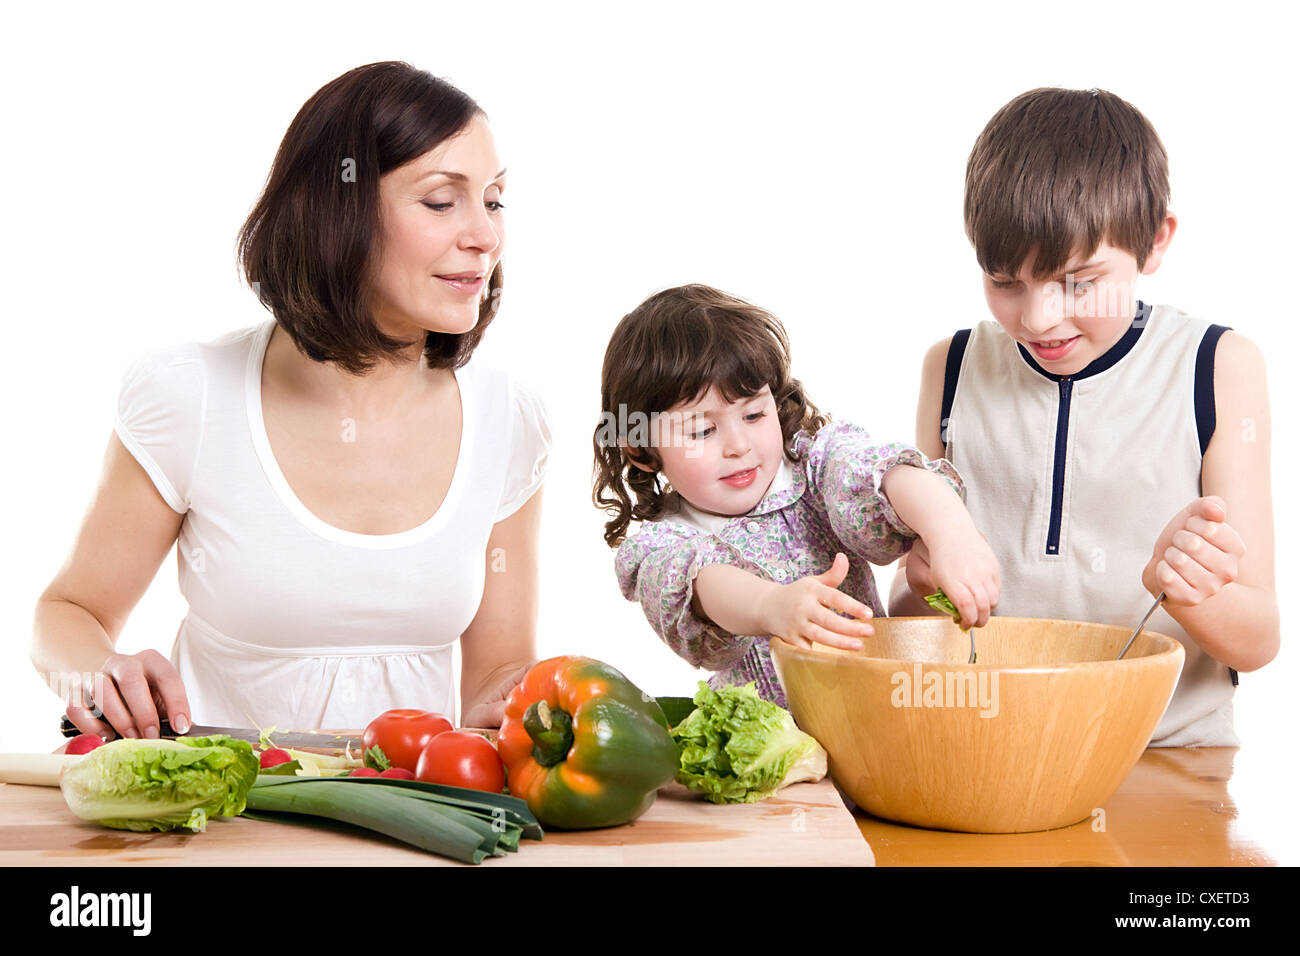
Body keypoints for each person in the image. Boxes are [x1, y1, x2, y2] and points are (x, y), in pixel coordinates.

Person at [31, 62, 549, 737]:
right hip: (224, 828)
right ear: (340, 212)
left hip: (417, 827)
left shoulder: (506, 419)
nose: (486, 235)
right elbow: (67, 612)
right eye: (441, 200)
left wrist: (522, 710)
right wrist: (102, 671)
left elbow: (495, 676)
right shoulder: (194, 395)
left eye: (494, 199)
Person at [890, 88, 1279, 747]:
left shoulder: (1220, 366)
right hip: (985, 748)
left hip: (1167, 757)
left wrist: (1189, 591)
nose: (1039, 318)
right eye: (1005, 281)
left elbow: (1259, 639)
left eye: (1078, 280)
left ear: (1155, 241)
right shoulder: (950, 367)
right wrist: (918, 586)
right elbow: (910, 612)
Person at [593, 284, 1000, 707]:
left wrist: (953, 535)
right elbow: (703, 582)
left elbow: (887, 474)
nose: (738, 445)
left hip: (881, 722)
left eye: (753, 414)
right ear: (640, 449)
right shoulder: (664, 546)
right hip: (778, 759)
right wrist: (772, 605)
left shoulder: (815, 468)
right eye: (702, 430)